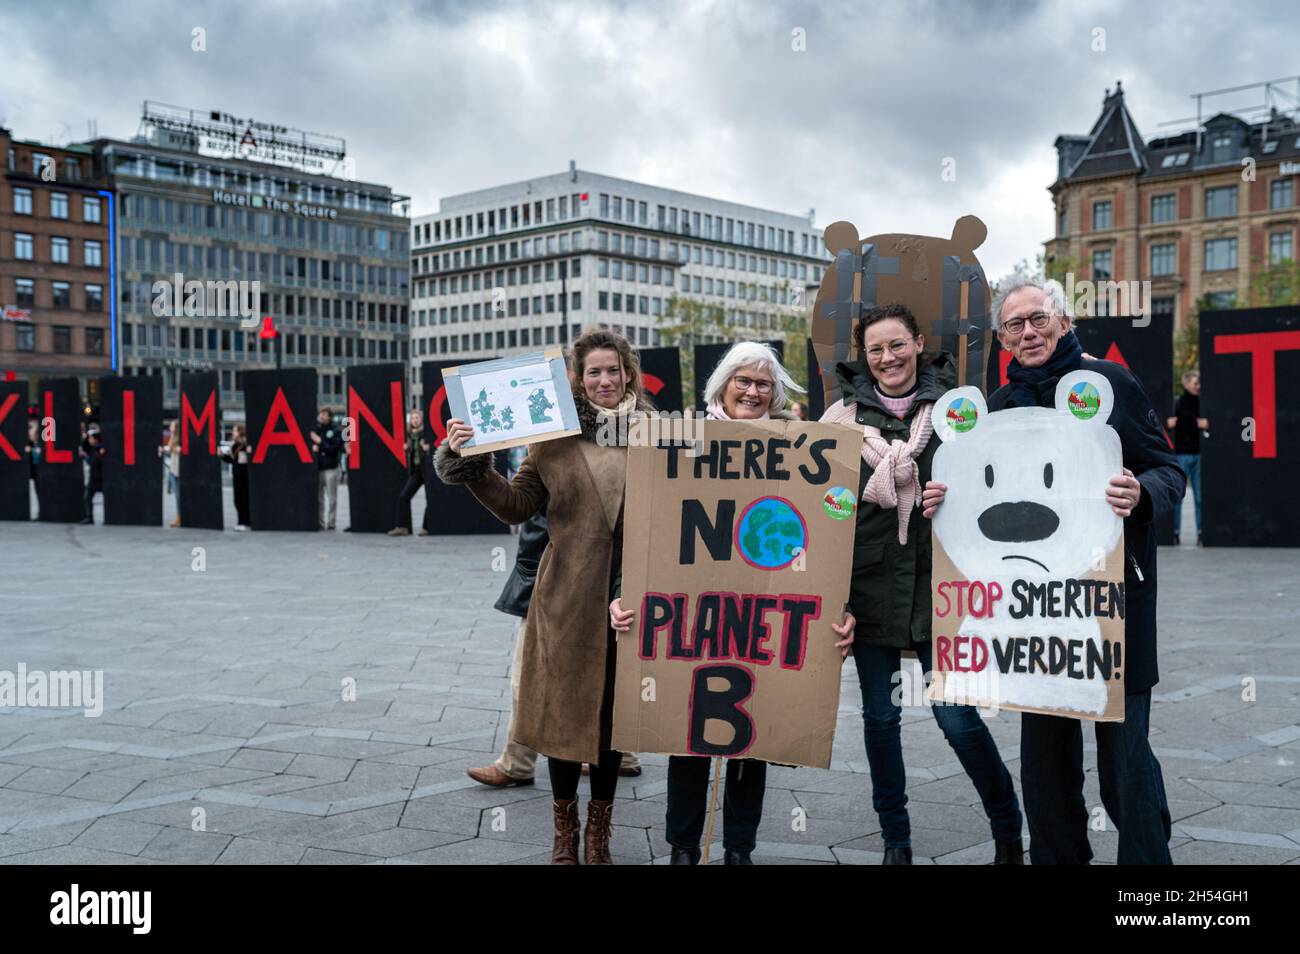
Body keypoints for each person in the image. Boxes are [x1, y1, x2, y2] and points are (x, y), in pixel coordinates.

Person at [924, 277, 1184, 865]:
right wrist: (944, 501)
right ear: (1002, 339)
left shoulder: (1111, 385)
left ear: (1064, 322)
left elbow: (1170, 471)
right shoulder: (997, 408)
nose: (1029, 332)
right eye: (1015, 325)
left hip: (1111, 608)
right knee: (1044, 765)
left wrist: (1141, 491)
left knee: (1126, 762)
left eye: (1038, 319)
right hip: (1031, 618)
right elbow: (976, 504)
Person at [610, 340, 850, 865]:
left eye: (764, 383)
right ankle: (682, 845)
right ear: (722, 383)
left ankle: (739, 846)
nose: (753, 390)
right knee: (685, 732)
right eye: (743, 380)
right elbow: (644, 528)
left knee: (752, 738)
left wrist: (836, 603)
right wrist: (620, 596)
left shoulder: (796, 443)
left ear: (776, 392)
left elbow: (827, 534)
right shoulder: (681, 441)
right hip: (691, 613)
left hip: (759, 613)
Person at [435, 328, 653, 864]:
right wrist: (469, 461)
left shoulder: (656, 432)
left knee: (609, 722)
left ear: (629, 372)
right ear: (577, 379)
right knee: (560, 718)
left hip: (632, 598)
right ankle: (564, 833)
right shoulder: (551, 436)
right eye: (594, 371)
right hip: (564, 595)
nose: (606, 380)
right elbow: (515, 504)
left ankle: (598, 835)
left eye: (614, 369)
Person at [817, 303, 1025, 865]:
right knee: (881, 720)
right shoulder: (838, 422)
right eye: (876, 349)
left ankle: (1009, 829)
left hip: (943, 587)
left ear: (918, 344)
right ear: (865, 356)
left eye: (897, 345)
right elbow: (822, 512)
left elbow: (997, 483)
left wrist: (955, 496)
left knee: (956, 717)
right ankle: (896, 842)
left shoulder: (958, 413)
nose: (888, 358)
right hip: (869, 587)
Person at [1166, 370, 1207, 546]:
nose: (1197, 386)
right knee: (1179, 497)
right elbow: (1165, 426)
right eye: (1194, 383)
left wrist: (1207, 424)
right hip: (1182, 455)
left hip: (1199, 454)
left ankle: (1200, 532)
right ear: (1186, 384)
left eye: (1198, 384)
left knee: (1199, 496)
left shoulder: (1202, 403)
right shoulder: (1177, 403)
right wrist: (1169, 424)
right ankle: (1175, 532)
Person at [389, 410, 430, 536]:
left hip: (427, 470)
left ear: (421, 420)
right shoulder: (409, 436)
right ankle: (402, 527)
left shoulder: (426, 434)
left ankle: (426, 527)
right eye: (413, 418)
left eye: (417, 418)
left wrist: (428, 449)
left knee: (430, 499)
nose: (415, 420)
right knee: (403, 497)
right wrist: (407, 450)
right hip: (416, 471)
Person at [312, 406, 344, 531]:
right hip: (318, 468)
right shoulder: (317, 428)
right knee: (319, 498)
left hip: (331, 468)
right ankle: (320, 522)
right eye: (320, 414)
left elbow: (334, 449)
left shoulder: (336, 430)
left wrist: (320, 442)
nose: (321, 416)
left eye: (324, 414)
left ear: (329, 416)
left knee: (332, 498)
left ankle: (331, 522)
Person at [221, 424, 252, 531]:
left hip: (244, 476)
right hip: (236, 475)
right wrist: (223, 456)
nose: (233, 433)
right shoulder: (235, 446)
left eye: (234, 431)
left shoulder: (245, 445)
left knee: (244, 499)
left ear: (240, 432)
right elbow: (233, 460)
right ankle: (240, 521)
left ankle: (246, 522)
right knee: (237, 500)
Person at [79, 427, 105, 524]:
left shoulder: (100, 448)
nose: (89, 440)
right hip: (93, 478)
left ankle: (91, 517)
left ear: (96, 439)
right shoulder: (93, 449)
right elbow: (84, 445)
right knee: (87, 496)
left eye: (91, 438)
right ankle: (89, 517)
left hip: (100, 478)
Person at [163, 419, 182, 528]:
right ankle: (178, 517)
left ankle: (179, 518)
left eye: (172, 426)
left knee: (179, 496)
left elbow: (179, 450)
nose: (170, 427)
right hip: (173, 470)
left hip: (179, 471)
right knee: (177, 496)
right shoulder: (172, 438)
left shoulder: (180, 439)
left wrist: (173, 448)